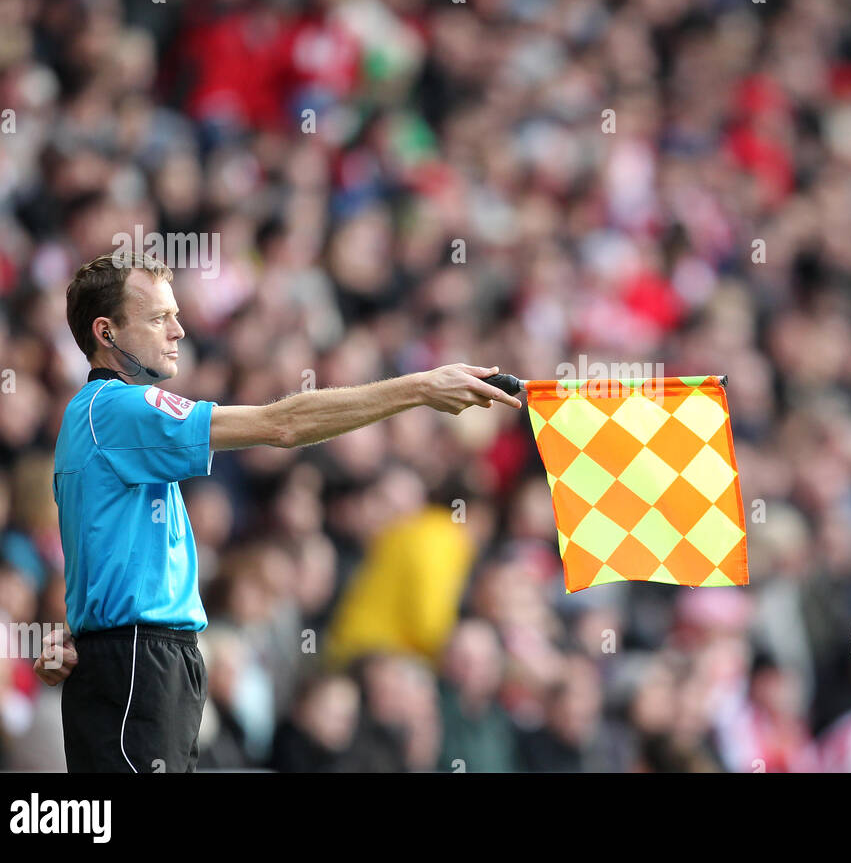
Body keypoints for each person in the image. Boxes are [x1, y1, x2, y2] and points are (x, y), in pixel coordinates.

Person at [32, 251, 521, 772]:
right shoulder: (118, 408)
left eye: (176, 313)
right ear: (106, 333)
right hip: (138, 664)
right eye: (158, 318)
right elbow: (280, 426)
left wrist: (81, 629)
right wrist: (420, 388)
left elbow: (100, 543)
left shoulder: (100, 419)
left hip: (143, 661)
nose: (178, 330)